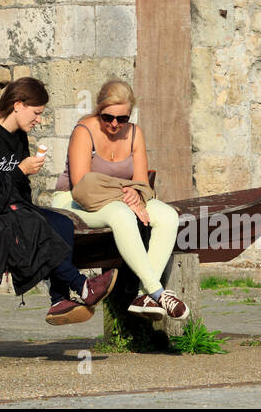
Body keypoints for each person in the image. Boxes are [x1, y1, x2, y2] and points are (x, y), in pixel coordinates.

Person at [0, 76, 117, 325]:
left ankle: (58, 300)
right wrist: (20, 171)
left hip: (5, 206)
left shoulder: (18, 137)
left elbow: (17, 190)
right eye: (36, 113)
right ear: (18, 105)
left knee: (63, 223)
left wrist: (23, 183)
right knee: (29, 221)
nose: (38, 120)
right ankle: (82, 286)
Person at [50, 79, 189, 321]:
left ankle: (145, 296)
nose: (114, 124)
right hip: (74, 202)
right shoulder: (84, 131)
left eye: (122, 119)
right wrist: (128, 192)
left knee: (168, 216)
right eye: (108, 117)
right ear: (99, 110)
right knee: (120, 213)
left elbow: (142, 184)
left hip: (121, 200)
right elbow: (84, 186)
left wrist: (136, 193)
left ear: (129, 116)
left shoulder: (135, 134)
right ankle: (158, 291)